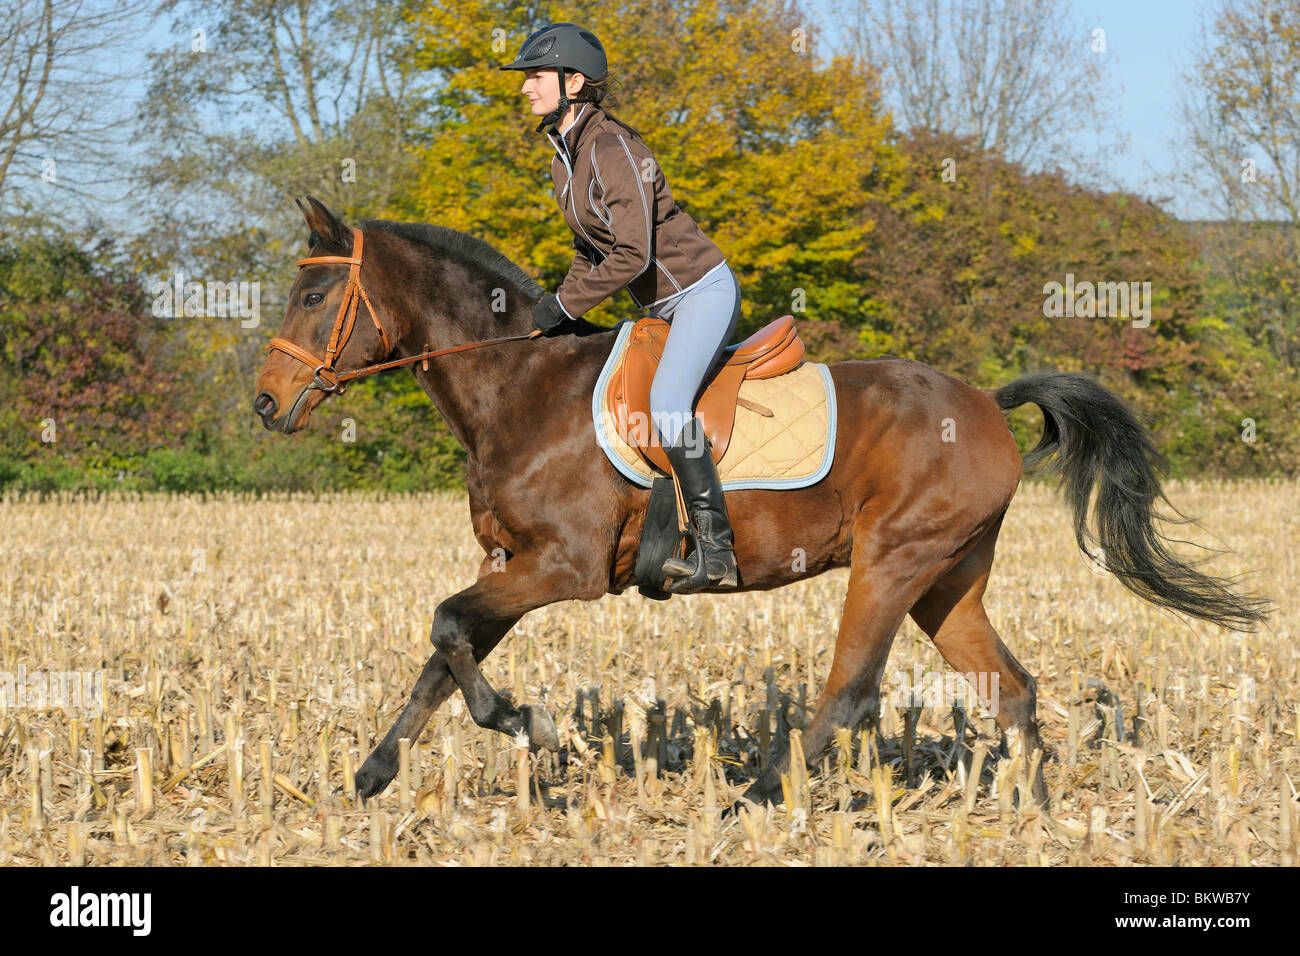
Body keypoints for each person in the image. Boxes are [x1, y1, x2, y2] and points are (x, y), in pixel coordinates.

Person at [501, 22, 741, 593]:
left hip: (701, 292)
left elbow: (632, 254)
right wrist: (550, 313)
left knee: (665, 404)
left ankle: (717, 550)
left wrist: (564, 305)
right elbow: (592, 252)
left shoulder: (611, 147)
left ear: (574, 82)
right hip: (661, 308)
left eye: (536, 76)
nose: (527, 87)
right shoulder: (565, 156)